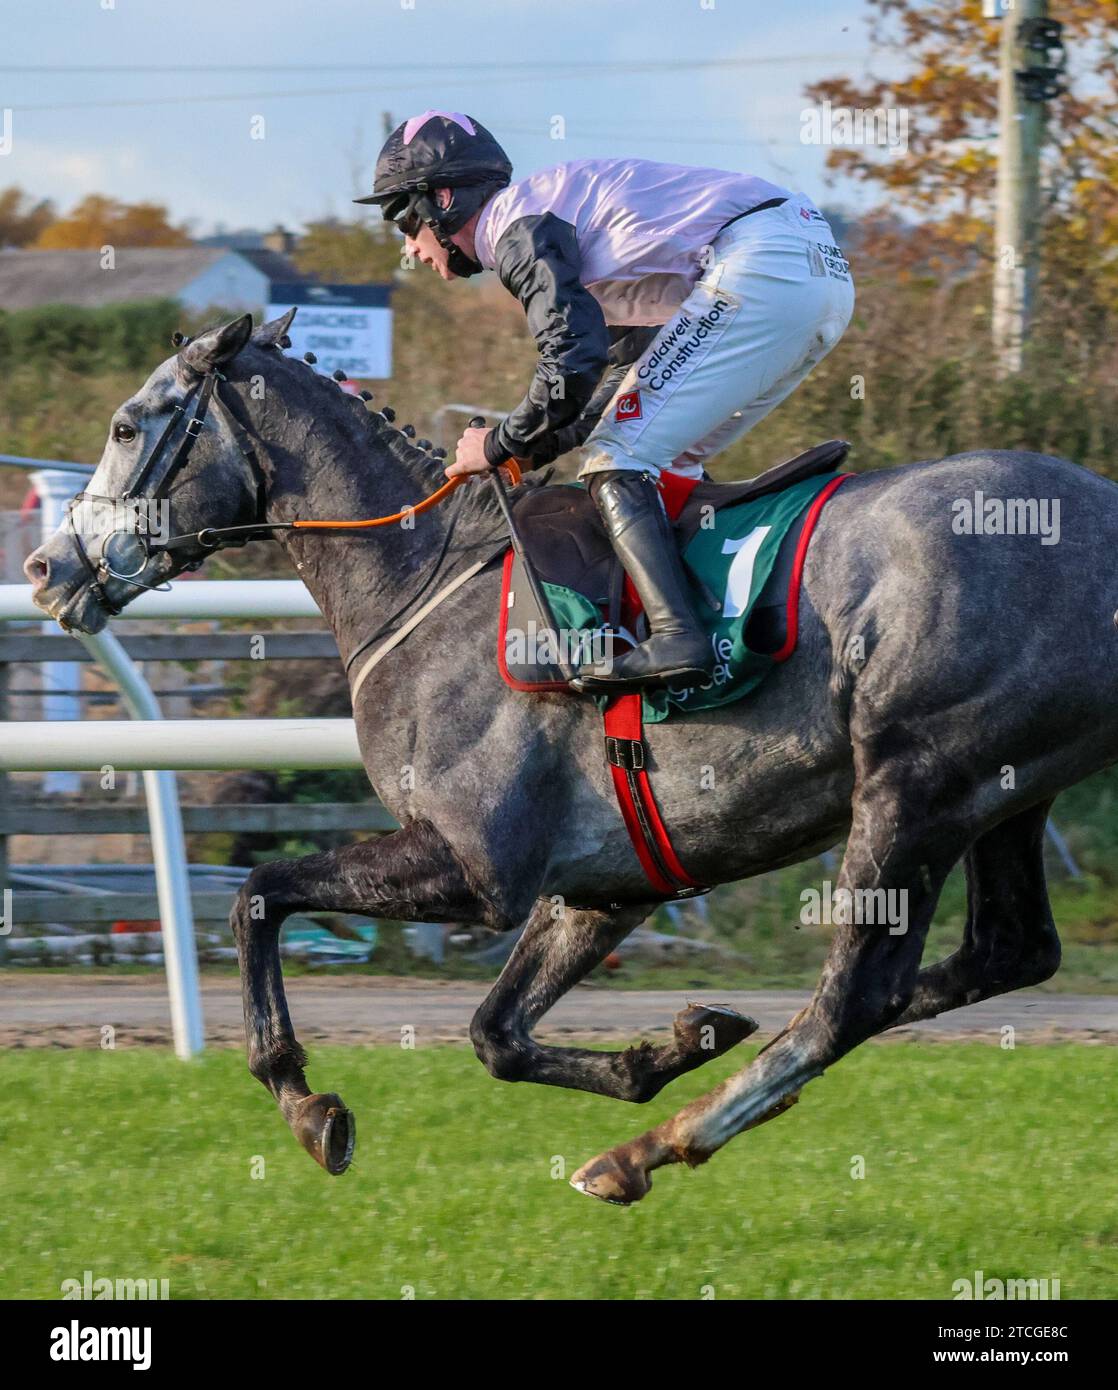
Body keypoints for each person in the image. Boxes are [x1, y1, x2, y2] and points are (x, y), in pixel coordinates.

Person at [355, 110, 854, 692]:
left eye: (402, 222)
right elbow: (611, 383)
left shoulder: (514, 229)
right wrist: (518, 456)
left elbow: (570, 360)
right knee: (657, 452)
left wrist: (496, 443)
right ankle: (705, 620)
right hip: (815, 272)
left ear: (441, 200)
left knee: (620, 455)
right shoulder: (566, 225)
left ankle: (676, 636)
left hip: (764, 264)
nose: (409, 250)